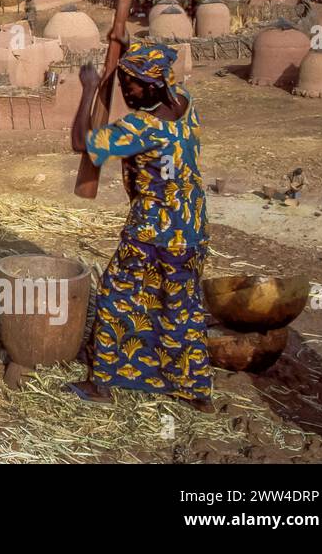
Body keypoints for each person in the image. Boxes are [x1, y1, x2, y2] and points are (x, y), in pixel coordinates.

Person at [68, 38, 212, 411]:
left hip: (153, 230)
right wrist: (124, 48)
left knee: (116, 297)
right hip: (192, 226)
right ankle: (194, 389)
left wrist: (89, 90)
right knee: (182, 304)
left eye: (129, 84)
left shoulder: (141, 128)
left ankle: (101, 384)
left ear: (150, 85)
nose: (124, 90)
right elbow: (148, 74)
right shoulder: (183, 102)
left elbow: (80, 141)